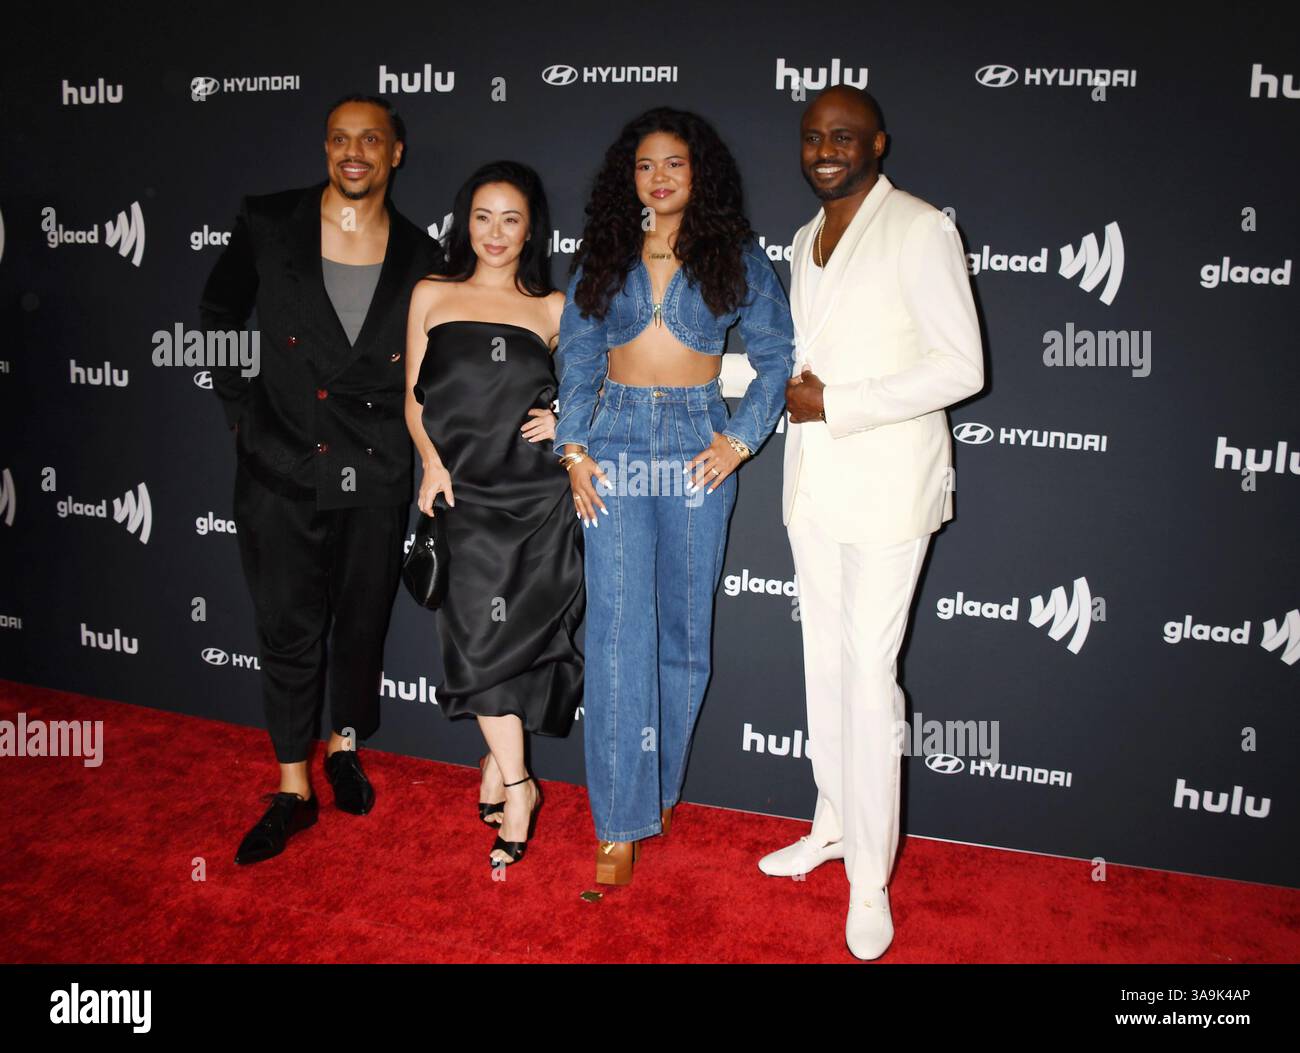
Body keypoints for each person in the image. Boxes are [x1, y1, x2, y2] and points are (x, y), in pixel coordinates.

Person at [757, 86, 984, 959]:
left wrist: (839, 404)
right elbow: (800, 362)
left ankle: (870, 882)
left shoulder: (921, 227)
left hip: (889, 489)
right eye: (813, 136)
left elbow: (961, 366)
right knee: (822, 669)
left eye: (843, 136)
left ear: (877, 143)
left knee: (869, 680)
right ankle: (834, 824)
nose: (825, 149)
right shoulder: (800, 239)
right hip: (812, 489)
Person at [200, 94, 445, 864]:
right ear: (325, 148)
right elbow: (217, 309)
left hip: (372, 468)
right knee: (287, 627)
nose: (354, 152)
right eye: (341, 138)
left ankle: (344, 744)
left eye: (371, 139)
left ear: (395, 153)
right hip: (280, 466)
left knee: (361, 618)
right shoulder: (269, 221)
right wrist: (244, 413)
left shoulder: (421, 255)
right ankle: (292, 785)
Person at [557, 107, 795, 885]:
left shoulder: (738, 257)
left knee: (685, 634)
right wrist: (573, 444)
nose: (658, 178)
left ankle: (654, 786)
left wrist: (741, 438)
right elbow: (581, 356)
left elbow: (776, 354)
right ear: (627, 176)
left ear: (701, 175)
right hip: (616, 442)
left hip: (697, 443)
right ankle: (618, 820)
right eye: (645, 165)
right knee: (619, 630)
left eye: (675, 165)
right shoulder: (605, 253)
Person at [405, 161, 583, 868]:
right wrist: (430, 462)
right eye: (483, 216)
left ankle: (503, 775)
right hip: (465, 496)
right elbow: (413, 399)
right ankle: (520, 784)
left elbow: (594, 388)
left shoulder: (554, 308)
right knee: (478, 641)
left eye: (511, 218)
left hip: (535, 499)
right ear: (463, 221)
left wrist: (563, 416)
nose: (496, 232)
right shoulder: (431, 293)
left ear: (530, 227)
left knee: (515, 642)